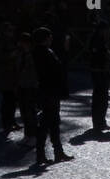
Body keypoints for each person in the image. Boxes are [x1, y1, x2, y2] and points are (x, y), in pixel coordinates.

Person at [33, 26, 72, 164]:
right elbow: (57, 70)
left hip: (45, 91)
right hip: (50, 91)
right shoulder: (46, 53)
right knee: (48, 122)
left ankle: (56, 151)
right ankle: (44, 153)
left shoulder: (36, 52)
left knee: (51, 122)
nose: (51, 39)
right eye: (49, 37)